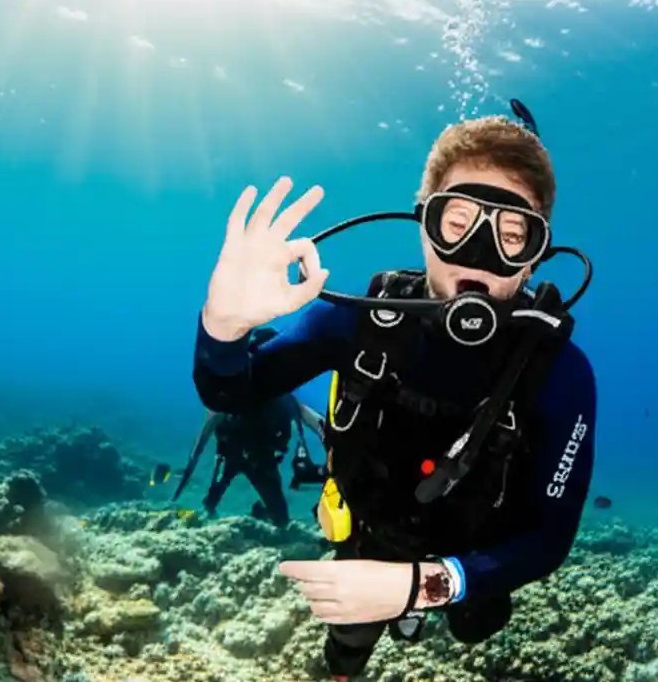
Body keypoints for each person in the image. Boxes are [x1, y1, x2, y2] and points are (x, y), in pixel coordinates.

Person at [191, 101, 597, 680]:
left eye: (512, 235)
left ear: (534, 257)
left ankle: (448, 598)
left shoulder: (559, 371)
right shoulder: (361, 322)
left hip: (473, 552)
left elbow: (551, 538)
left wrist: (432, 584)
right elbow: (228, 394)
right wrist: (224, 327)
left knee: (478, 622)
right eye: (457, 225)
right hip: (371, 534)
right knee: (346, 644)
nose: (479, 257)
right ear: (424, 228)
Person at [175, 327, 327, 527]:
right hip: (234, 456)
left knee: (280, 518)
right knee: (209, 506)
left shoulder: (283, 399)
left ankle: (258, 514)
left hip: (261, 460)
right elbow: (318, 424)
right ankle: (211, 512)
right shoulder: (234, 395)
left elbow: (317, 423)